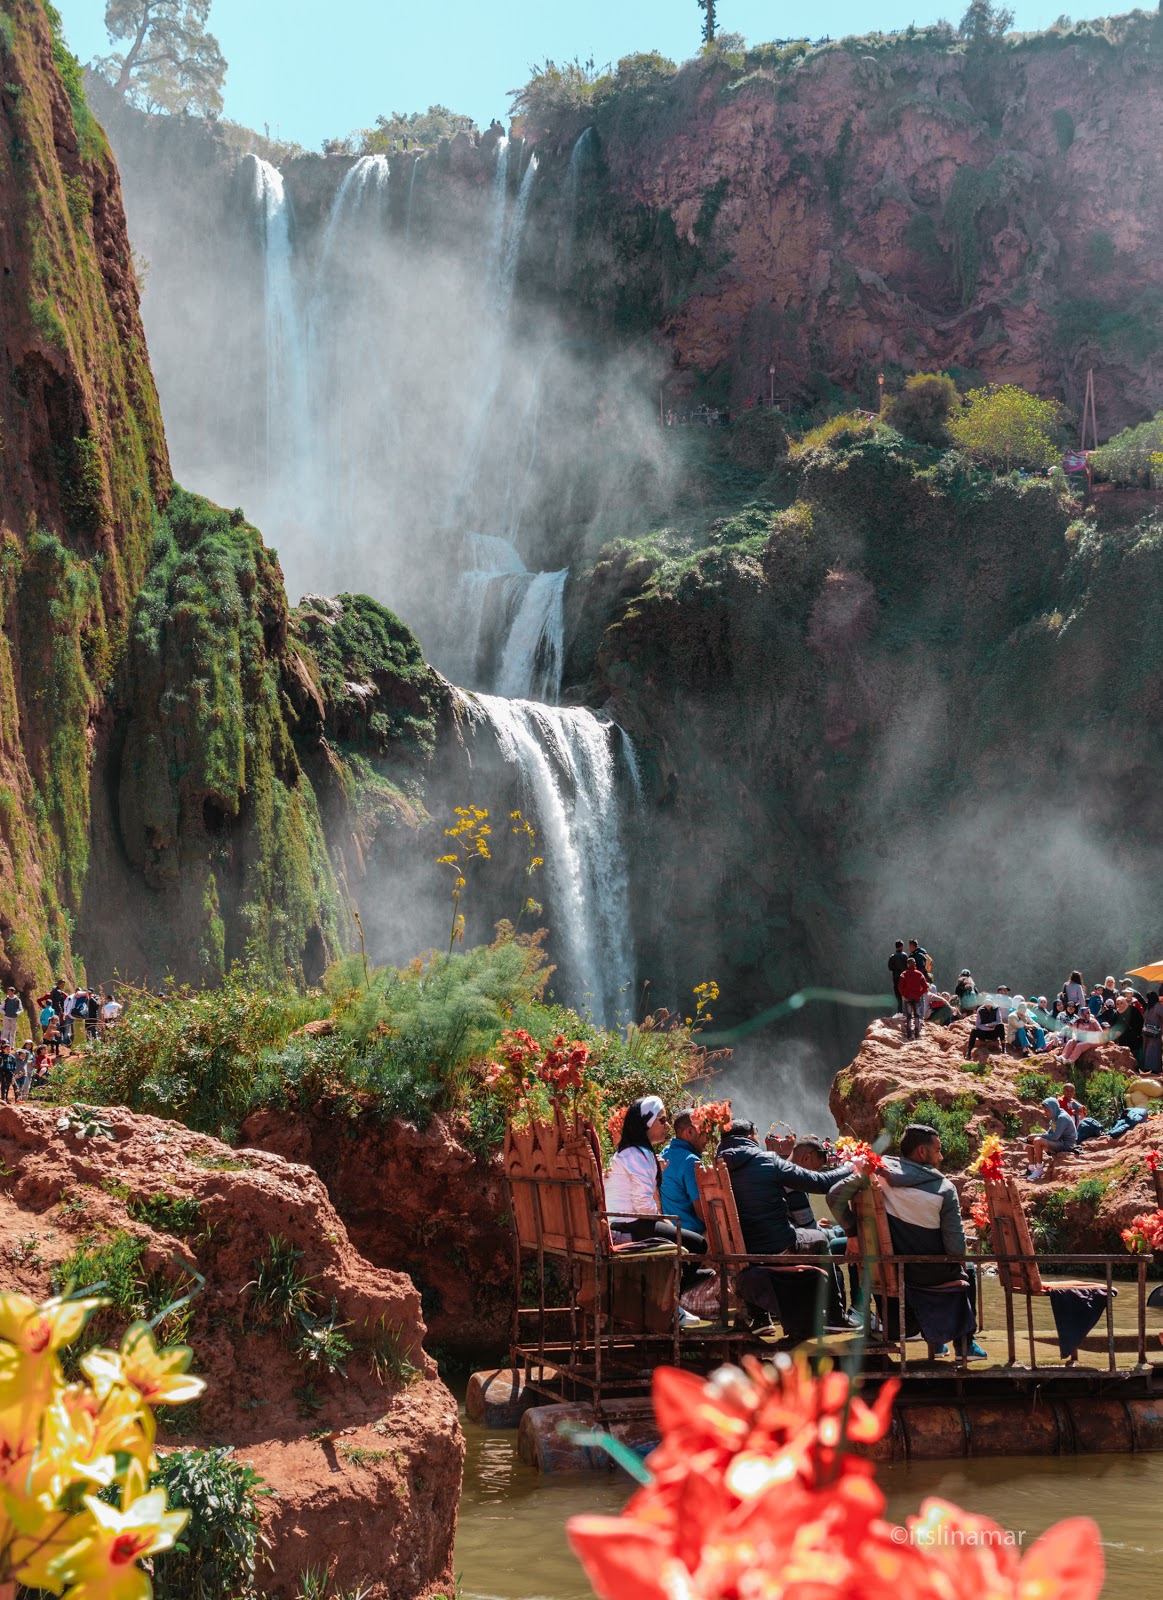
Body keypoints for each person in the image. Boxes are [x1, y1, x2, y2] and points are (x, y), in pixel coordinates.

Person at [829, 1123, 985, 1359]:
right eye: (938, 1150)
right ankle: (965, 1345)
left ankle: (935, 1340)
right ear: (922, 1152)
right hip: (926, 1274)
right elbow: (956, 1251)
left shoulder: (875, 1173)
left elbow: (834, 1196)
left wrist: (853, 1234)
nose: (941, 1157)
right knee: (968, 1268)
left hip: (887, 1271)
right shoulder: (944, 1189)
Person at [605, 1097, 707, 1325]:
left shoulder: (629, 1152)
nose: (666, 1125)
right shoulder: (640, 1154)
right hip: (630, 1224)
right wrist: (665, 1222)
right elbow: (643, 1205)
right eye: (661, 1120)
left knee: (682, 1237)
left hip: (621, 1222)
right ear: (646, 1123)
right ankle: (668, 1305)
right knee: (698, 1244)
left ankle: (672, 1299)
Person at [659, 1109, 709, 1241]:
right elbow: (704, 1213)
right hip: (692, 1237)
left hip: (670, 1233)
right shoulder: (690, 1161)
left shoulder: (665, 1152)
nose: (708, 1140)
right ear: (690, 1132)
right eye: (705, 1133)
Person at [1026, 1096, 1078, 1180]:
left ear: (1052, 1109)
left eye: (1047, 1111)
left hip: (1066, 1144)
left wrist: (1037, 1136)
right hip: (1058, 1141)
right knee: (1029, 1141)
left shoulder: (1062, 1117)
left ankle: (1039, 1169)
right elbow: (1049, 1133)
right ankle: (1031, 1168)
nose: (1045, 1113)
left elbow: (1055, 1136)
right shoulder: (1055, 1117)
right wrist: (1035, 1136)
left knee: (1037, 1140)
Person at [898, 957, 929, 1040]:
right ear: (915, 964)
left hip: (907, 997)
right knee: (917, 1016)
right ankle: (917, 1035)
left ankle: (909, 1035)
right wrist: (920, 994)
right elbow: (925, 987)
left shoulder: (903, 974)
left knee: (908, 1016)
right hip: (917, 997)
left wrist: (903, 994)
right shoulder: (920, 974)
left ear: (907, 964)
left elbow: (900, 986)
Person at [1142, 991, 1163, 1077]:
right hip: (1147, 1033)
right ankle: (1147, 1067)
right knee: (1147, 1051)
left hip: (1155, 1033)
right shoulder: (1149, 1006)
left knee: (1154, 1051)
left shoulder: (1157, 1006)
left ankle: (1154, 1069)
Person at [887, 941, 909, 1010]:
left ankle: (900, 1010)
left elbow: (890, 968)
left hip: (896, 977)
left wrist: (895, 969)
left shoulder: (892, 956)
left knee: (897, 994)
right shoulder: (905, 956)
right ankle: (907, 1010)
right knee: (905, 993)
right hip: (904, 977)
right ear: (902, 946)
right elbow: (908, 966)